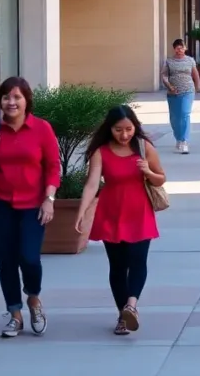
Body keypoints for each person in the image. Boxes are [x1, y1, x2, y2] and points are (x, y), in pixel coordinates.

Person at [0, 77, 60, 338]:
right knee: (7, 262)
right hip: (0, 205)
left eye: (17, 97)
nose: (11, 102)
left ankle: (33, 298)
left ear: (26, 100)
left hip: (34, 205)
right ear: (0, 101)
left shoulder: (42, 129)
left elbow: (53, 168)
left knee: (30, 258)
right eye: (6, 97)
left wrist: (49, 199)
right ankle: (15, 315)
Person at [75, 106, 164, 335]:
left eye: (128, 129)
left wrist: (148, 172)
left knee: (137, 260)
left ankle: (131, 306)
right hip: (111, 212)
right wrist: (82, 212)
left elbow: (160, 178)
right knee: (117, 266)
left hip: (139, 212)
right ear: (109, 129)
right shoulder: (101, 151)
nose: (124, 135)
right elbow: (92, 184)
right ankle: (122, 315)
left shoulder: (144, 147)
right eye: (118, 130)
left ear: (135, 127)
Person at [161, 38, 200, 154]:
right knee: (175, 117)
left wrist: (198, 85)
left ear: (185, 48)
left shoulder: (190, 60)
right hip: (173, 92)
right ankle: (178, 138)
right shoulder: (169, 61)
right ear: (174, 49)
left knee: (184, 114)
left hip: (188, 90)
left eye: (182, 47)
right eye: (177, 48)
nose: (179, 50)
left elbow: (195, 74)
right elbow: (164, 76)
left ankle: (184, 141)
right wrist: (169, 86)